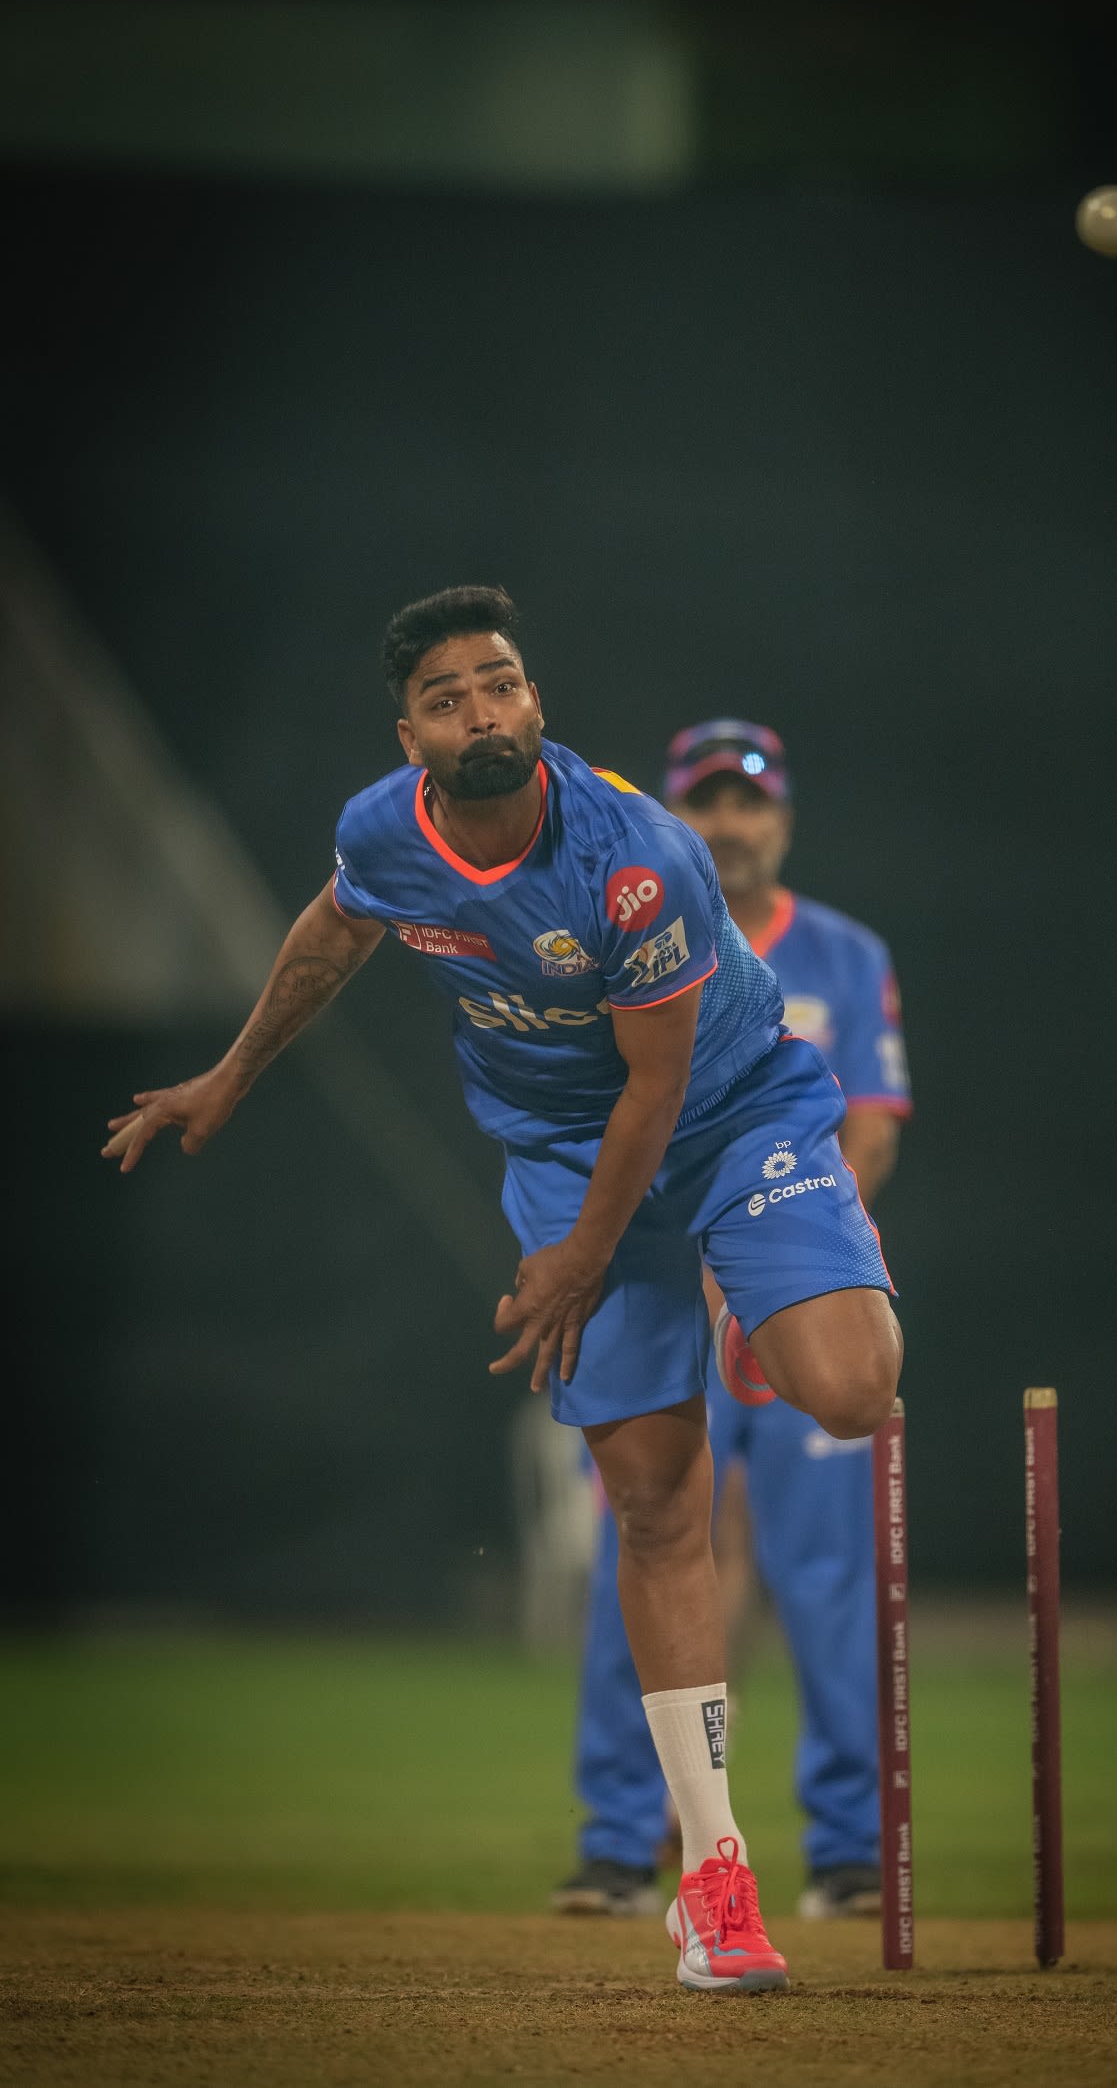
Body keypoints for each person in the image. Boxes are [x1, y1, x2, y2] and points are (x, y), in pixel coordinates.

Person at [101, 586, 904, 1995]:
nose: (486, 710)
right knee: (656, 1501)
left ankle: (763, 1280)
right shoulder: (381, 831)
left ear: (536, 706)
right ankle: (713, 1884)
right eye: (453, 695)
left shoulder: (635, 857)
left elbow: (657, 1092)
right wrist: (231, 1073)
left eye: (505, 685)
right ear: (408, 732)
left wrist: (589, 1262)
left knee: (852, 1387)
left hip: (729, 1122)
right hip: (558, 1158)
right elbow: (335, 933)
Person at [553, 720, 911, 1922]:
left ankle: (850, 1852)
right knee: (649, 1538)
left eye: (747, 802)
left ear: (781, 818)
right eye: (705, 802)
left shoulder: (844, 954)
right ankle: (620, 1840)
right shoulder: (630, 937)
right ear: (672, 822)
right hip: (668, 1291)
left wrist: (774, 1276)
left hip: (783, 1296)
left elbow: (864, 1126)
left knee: (825, 1577)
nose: (728, 822)